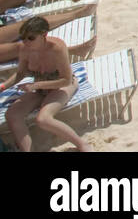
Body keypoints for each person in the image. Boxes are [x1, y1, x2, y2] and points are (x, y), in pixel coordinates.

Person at [0, 16, 90, 152]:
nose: (26, 42)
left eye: (31, 38)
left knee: (43, 119)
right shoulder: (25, 49)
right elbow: (20, 74)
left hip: (61, 86)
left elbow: (66, 79)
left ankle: (82, 145)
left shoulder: (57, 48)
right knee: (12, 115)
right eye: (23, 38)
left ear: (44, 35)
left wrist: (35, 86)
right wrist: (3, 86)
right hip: (40, 88)